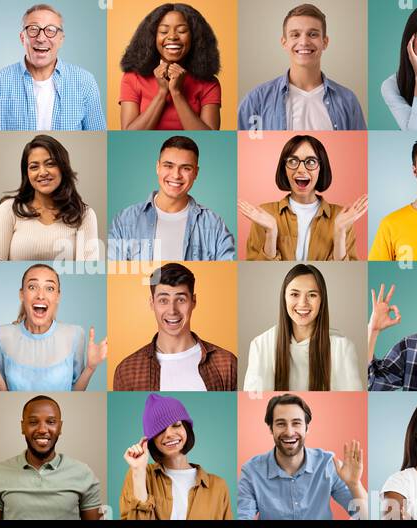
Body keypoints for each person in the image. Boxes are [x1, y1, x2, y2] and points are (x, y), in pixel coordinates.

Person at [236, 393, 368, 520]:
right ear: (271, 428)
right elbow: (243, 515)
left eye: (296, 423)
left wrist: (354, 485)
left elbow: (365, 517)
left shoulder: (327, 464)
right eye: (281, 423)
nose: (289, 432)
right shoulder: (252, 471)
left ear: (307, 428)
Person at [0, 264, 106, 392]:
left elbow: (75, 392)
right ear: (22, 294)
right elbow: (4, 395)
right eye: (32, 287)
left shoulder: (76, 334)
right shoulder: (1, 335)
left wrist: (90, 367)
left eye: (49, 288)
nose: (40, 295)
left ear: (58, 296)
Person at [237, 3, 366, 131]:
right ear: (284, 43)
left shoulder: (348, 101)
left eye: (313, 34)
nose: (304, 42)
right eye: (295, 35)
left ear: (325, 42)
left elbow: (359, 149)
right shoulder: (256, 101)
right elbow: (245, 148)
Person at [107, 135, 235, 261]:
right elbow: (115, 270)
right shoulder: (125, 221)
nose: (176, 175)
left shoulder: (214, 225)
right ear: (158, 167)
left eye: (186, 168)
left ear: (196, 172)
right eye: (168, 166)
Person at [0, 3, 106, 130]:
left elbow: (98, 133)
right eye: (33, 29)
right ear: (22, 38)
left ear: (61, 39)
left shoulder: (85, 82)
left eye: (50, 30)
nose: (41, 38)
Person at [240, 134, 366, 261]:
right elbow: (260, 271)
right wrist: (271, 232)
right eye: (293, 161)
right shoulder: (264, 214)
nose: (301, 169)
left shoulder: (342, 217)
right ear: (284, 168)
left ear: (321, 168)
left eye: (311, 162)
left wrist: (339, 233)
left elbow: (342, 275)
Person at [114, 263, 237, 391]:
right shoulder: (127, 371)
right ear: (152, 303)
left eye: (181, 300)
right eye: (163, 300)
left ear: (193, 301)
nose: (172, 310)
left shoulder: (226, 363)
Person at [0, 395, 103, 520]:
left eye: (51, 422)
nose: (42, 430)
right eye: (33, 422)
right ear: (23, 427)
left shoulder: (83, 473)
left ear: (60, 427)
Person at [244, 264, 362, 391]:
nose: (302, 303)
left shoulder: (342, 348)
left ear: (322, 300)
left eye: (312, 295)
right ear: (284, 298)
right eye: (295, 294)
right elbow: (255, 398)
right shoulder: (261, 345)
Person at [0, 134, 100, 261]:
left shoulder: (84, 215)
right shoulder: (8, 209)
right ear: (27, 173)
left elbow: (86, 270)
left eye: (50, 164)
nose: (43, 172)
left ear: (63, 167)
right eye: (34, 167)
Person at [121, 394, 231, 520]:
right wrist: (138, 471)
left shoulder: (218, 486)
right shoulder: (139, 475)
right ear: (150, 440)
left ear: (186, 429)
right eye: (160, 430)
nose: (169, 434)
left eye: (176, 425)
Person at [119, 3, 220, 131]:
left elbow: (209, 137)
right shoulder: (132, 78)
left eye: (182, 31)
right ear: (152, 37)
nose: (172, 37)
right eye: (163, 31)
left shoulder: (209, 83)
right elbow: (129, 135)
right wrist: (162, 93)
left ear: (195, 37)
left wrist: (177, 93)